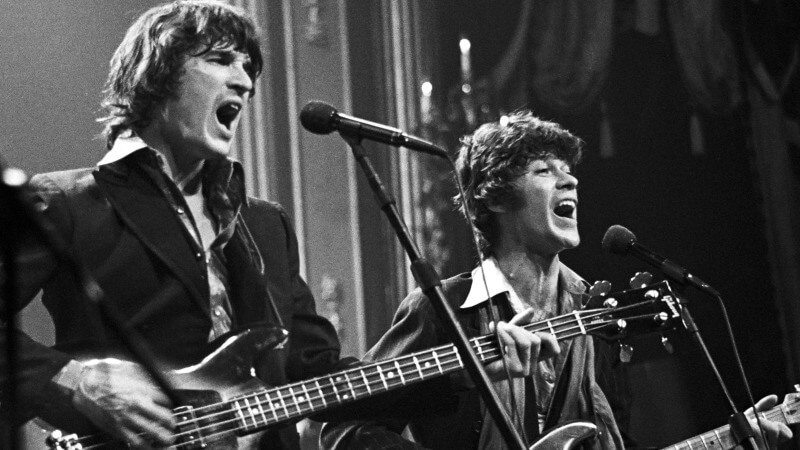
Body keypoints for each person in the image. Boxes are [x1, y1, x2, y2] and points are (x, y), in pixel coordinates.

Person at [0, 2, 543, 449]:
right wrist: (73, 380)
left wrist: (464, 371)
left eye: (249, 70)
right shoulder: (67, 202)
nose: (243, 82)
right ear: (155, 75)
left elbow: (319, 377)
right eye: (220, 60)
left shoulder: (263, 226)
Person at [320, 111, 793, 449]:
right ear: (495, 198)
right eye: (544, 171)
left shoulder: (600, 315)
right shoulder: (443, 308)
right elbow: (345, 427)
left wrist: (733, 439)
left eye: (569, 172)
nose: (571, 182)